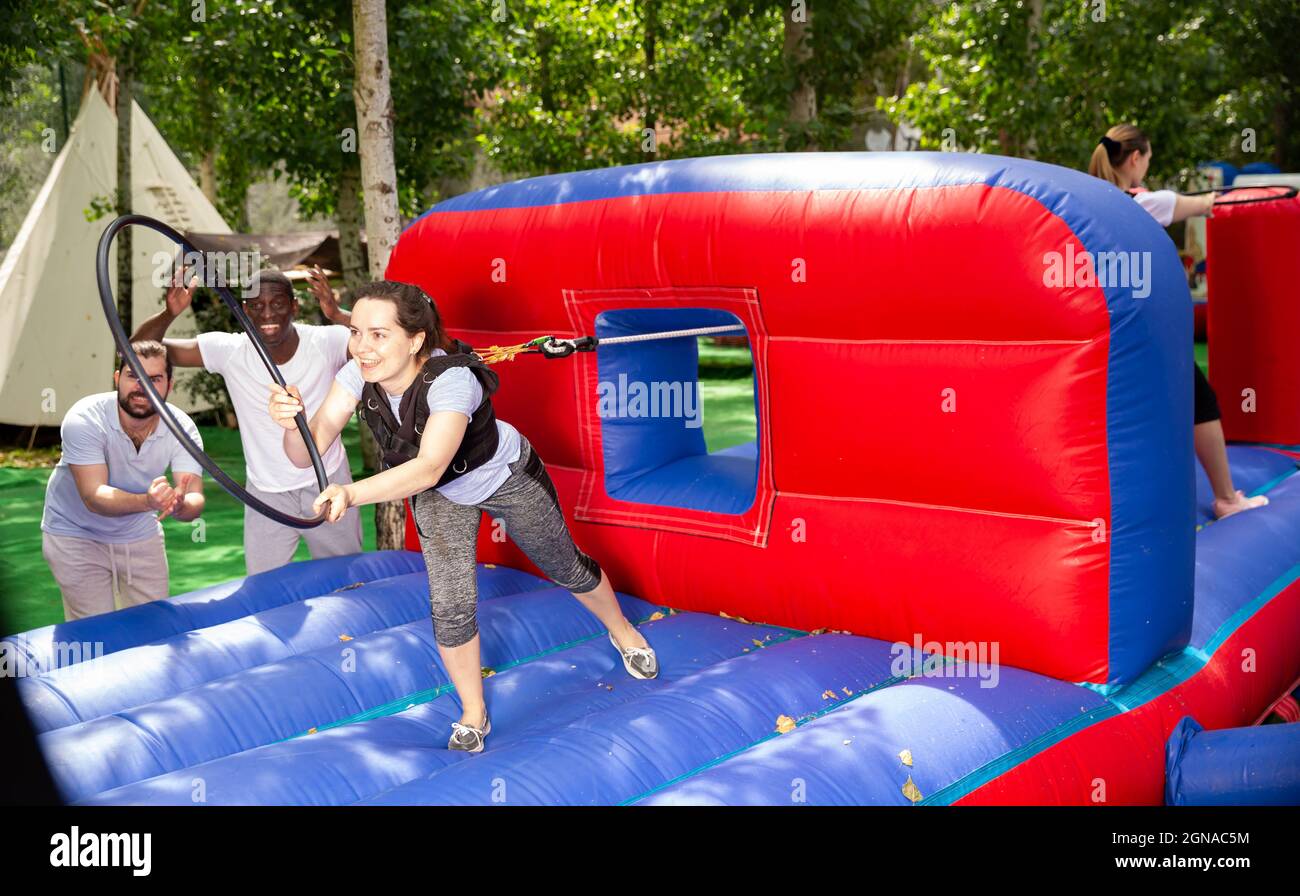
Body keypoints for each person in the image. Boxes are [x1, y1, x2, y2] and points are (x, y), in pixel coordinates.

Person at [266, 280, 658, 752]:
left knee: (563, 565)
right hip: (439, 493)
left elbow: (429, 465)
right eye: (355, 332)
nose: (362, 348)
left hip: (502, 476)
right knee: (451, 604)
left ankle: (624, 632)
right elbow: (303, 454)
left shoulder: (453, 379)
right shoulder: (356, 377)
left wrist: (350, 494)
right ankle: (474, 713)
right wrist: (293, 425)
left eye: (378, 334)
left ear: (415, 340)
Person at [1089, 124, 1268, 520]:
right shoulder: (1144, 202)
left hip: (1106, 333)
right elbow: (1206, 205)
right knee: (1201, 401)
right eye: (1147, 159)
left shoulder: (1091, 202)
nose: (1147, 168)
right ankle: (1226, 498)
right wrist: (1240, 197)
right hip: (1146, 335)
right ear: (1134, 158)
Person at [132, 267, 363, 573]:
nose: (268, 314)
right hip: (266, 492)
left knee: (346, 578)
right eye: (256, 306)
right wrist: (168, 313)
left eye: (278, 304)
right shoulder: (229, 350)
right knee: (263, 588)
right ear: (244, 311)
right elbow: (137, 352)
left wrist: (337, 314)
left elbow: (379, 343)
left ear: (294, 306)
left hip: (328, 481)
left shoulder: (325, 341)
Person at [41, 341, 206, 620]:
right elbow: (93, 496)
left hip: (139, 531)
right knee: (95, 629)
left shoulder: (182, 427)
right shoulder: (85, 418)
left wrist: (180, 505)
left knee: (153, 626)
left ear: (169, 385)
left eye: (154, 378)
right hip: (77, 533)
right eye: (134, 376)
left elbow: (195, 497)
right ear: (117, 379)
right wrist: (148, 501)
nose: (142, 386)